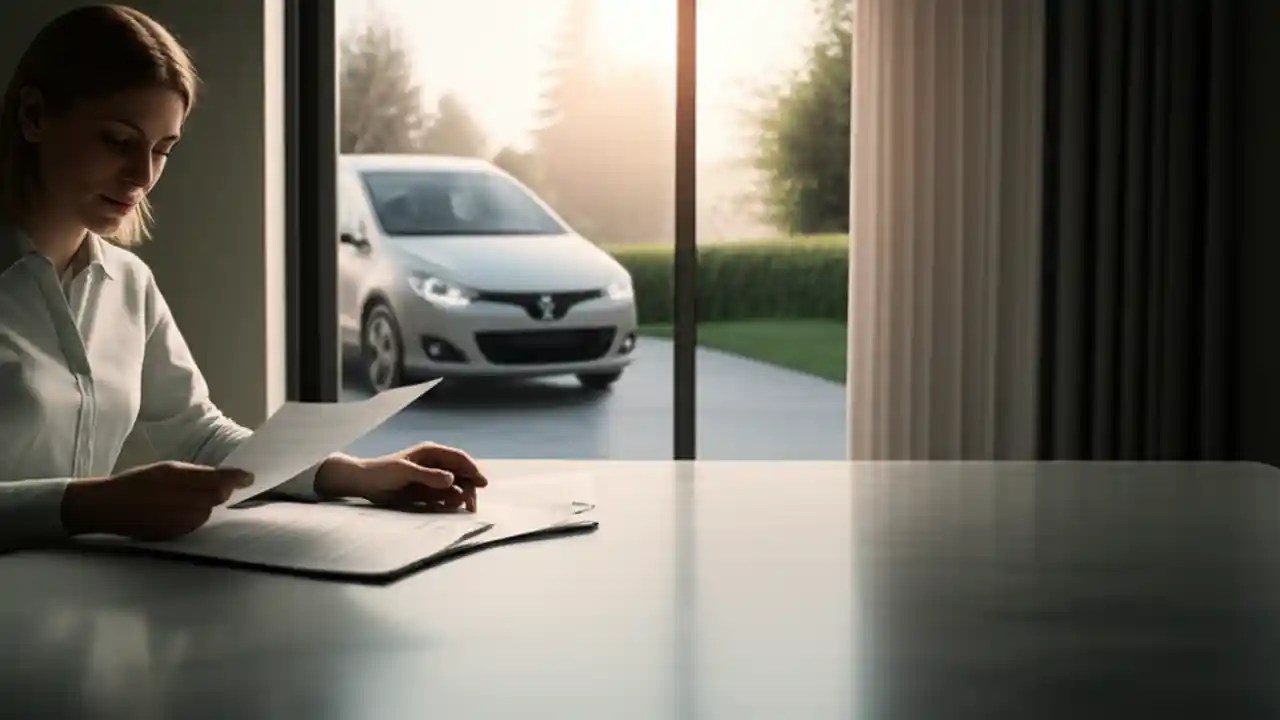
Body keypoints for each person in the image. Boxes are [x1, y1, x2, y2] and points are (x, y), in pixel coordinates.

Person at [0, 4, 487, 546]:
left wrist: (359, 475)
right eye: (118, 141)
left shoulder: (129, 284)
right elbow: (93, 504)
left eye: (162, 150)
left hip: (67, 605)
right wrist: (90, 505)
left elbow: (199, 435)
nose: (142, 176)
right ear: (34, 116)